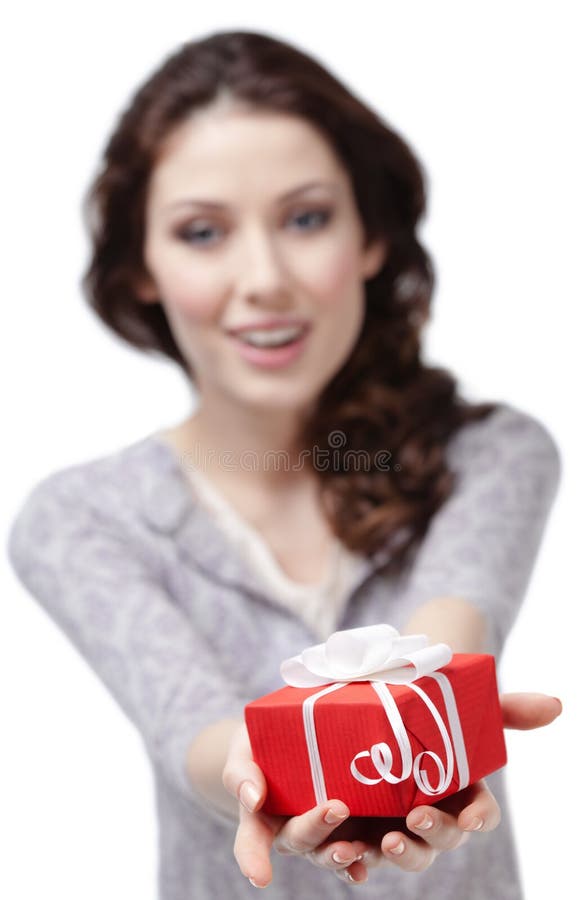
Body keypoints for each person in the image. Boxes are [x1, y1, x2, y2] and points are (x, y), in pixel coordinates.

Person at [6, 28, 562, 900]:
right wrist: (252, 774)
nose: (264, 278)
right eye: (202, 232)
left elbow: (454, 621)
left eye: (306, 218)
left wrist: (442, 708)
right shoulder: (81, 519)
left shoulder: (493, 455)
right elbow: (188, 727)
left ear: (372, 238)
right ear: (143, 265)